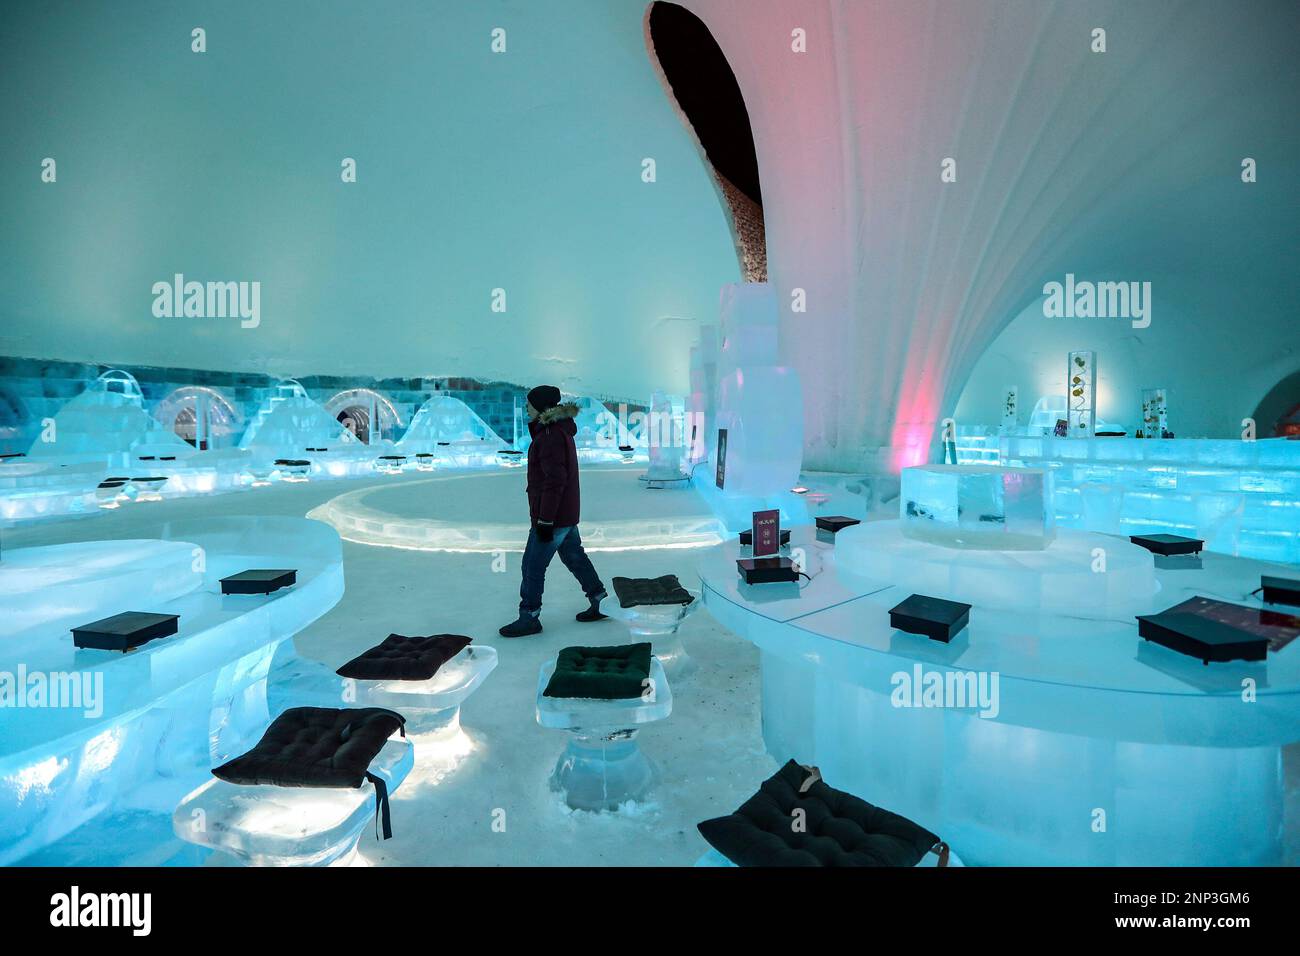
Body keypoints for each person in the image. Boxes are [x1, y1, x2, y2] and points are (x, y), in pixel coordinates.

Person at [498, 385, 608, 638]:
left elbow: (555, 480)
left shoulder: (549, 435)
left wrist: (545, 520)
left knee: (532, 566)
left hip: (553, 517)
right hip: (565, 514)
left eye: (530, 404)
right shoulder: (558, 430)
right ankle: (599, 599)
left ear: (541, 407)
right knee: (574, 557)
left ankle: (529, 617)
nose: (526, 408)